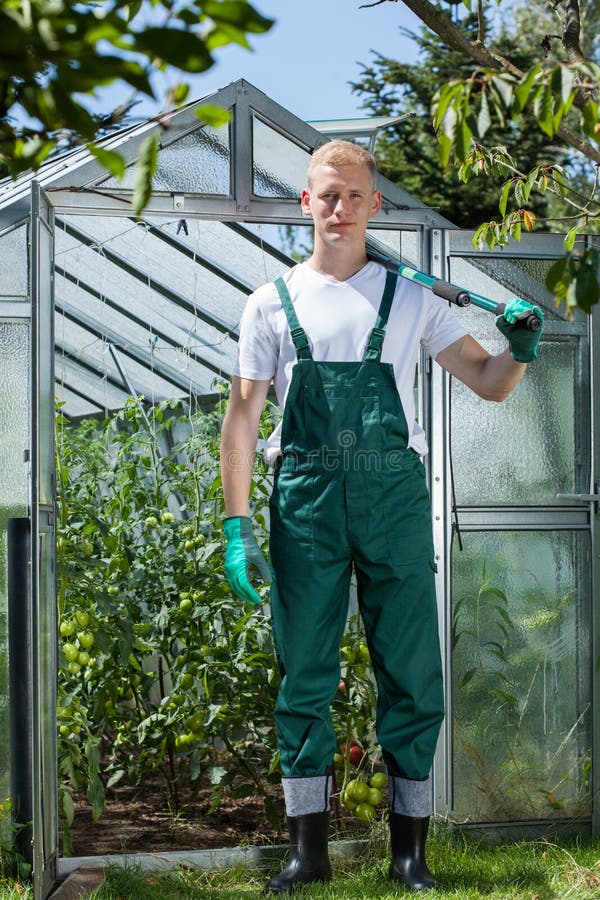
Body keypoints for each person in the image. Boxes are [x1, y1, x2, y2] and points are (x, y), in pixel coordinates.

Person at [219, 140, 543, 894]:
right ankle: (308, 853)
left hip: (392, 500)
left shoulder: (412, 298)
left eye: (353, 195)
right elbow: (241, 421)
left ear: (374, 205)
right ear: (306, 202)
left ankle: (410, 856)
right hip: (304, 504)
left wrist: (519, 345)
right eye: (325, 196)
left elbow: (490, 383)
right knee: (304, 674)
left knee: (411, 674)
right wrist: (237, 528)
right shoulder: (270, 301)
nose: (338, 209)